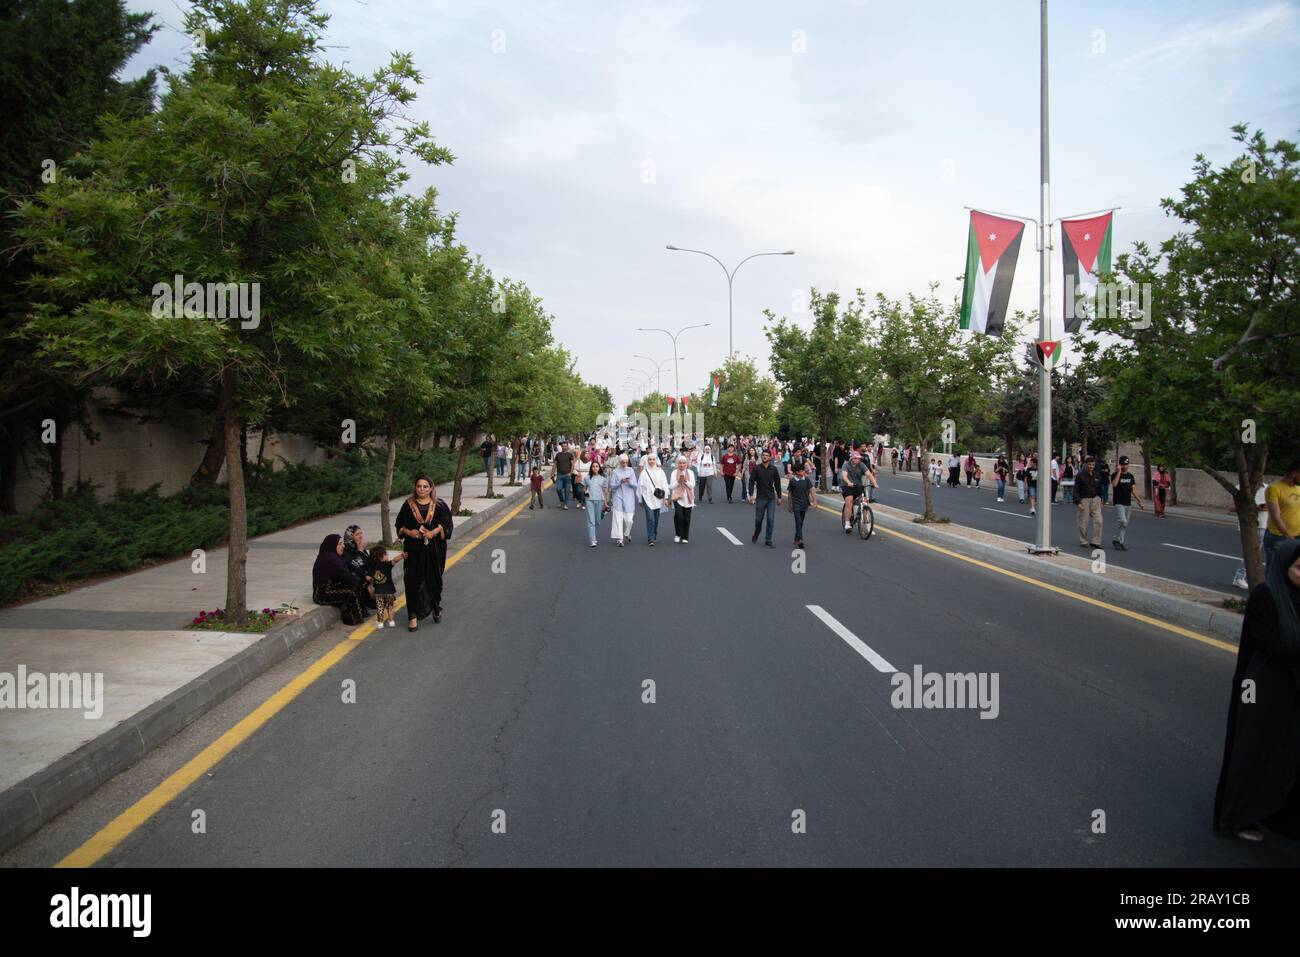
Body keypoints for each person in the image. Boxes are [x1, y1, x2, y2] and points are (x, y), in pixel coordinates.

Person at [1213, 539, 1300, 842]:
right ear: (1283, 567)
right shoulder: (1266, 597)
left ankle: (1283, 816)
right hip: (1264, 689)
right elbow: (1274, 647)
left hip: (1294, 686)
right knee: (1258, 751)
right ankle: (1241, 815)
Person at [395, 474, 453, 631]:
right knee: (412, 580)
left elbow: (447, 524)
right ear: (415, 487)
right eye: (419, 486)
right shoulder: (408, 505)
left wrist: (434, 532)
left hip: (434, 549)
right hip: (414, 549)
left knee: (433, 579)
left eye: (425, 486)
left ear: (431, 488)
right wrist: (409, 532)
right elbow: (399, 524)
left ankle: (435, 607)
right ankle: (412, 615)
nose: (422, 489)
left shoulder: (439, 505)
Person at [312, 534, 366, 626]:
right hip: (322, 594)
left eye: (343, 543)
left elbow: (351, 567)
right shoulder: (331, 560)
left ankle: (359, 613)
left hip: (333, 588)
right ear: (333, 546)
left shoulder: (336, 557)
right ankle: (350, 617)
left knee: (357, 584)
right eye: (340, 544)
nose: (343, 546)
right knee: (354, 589)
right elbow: (347, 577)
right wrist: (362, 579)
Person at [1264, 461, 1300, 575]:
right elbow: (1275, 516)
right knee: (1274, 569)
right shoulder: (1274, 488)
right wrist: (1288, 537)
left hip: (1297, 536)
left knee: (1292, 570)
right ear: (1294, 473)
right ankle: (1269, 592)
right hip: (1278, 537)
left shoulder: (1298, 488)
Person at [1110, 455, 1145, 551]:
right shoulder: (1114, 475)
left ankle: (1119, 542)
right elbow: (1114, 484)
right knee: (1122, 521)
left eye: (1126, 464)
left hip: (1128, 503)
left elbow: (1134, 490)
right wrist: (1119, 472)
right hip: (1118, 502)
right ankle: (1116, 539)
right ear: (1119, 465)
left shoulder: (1130, 476)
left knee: (1125, 524)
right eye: (1122, 464)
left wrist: (1139, 501)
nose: (1125, 466)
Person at [749, 448, 782, 547]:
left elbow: (777, 483)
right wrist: (751, 495)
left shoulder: (774, 469)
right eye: (763, 455)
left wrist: (779, 497)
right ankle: (757, 532)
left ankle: (768, 539)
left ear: (770, 457)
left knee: (770, 519)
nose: (764, 457)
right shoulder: (757, 468)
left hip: (771, 498)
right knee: (759, 519)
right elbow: (751, 482)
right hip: (760, 498)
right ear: (761, 456)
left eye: (767, 455)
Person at [366, 543, 403, 627]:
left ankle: (380, 622)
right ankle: (391, 621)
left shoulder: (372, 567)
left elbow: (367, 577)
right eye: (385, 554)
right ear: (380, 557)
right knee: (390, 607)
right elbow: (395, 560)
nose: (388, 555)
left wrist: (373, 579)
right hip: (389, 591)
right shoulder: (387, 565)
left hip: (379, 592)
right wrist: (402, 555)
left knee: (380, 608)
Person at [341, 525, 377, 610]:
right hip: (354, 577)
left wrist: (370, 575)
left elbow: (369, 563)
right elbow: (353, 566)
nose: (360, 536)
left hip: (365, 577)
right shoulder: (346, 550)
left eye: (361, 533)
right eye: (357, 534)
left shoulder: (359, 547)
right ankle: (367, 600)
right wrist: (360, 553)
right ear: (350, 537)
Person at [638, 452, 670, 545]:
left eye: (653, 459)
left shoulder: (660, 471)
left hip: (658, 498)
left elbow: (664, 485)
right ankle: (650, 538)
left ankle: (654, 534)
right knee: (650, 518)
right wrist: (640, 499)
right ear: (647, 461)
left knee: (656, 518)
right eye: (649, 459)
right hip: (647, 498)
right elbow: (640, 486)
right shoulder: (644, 472)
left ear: (656, 460)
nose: (651, 461)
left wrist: (666, 498)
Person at [1074, 456, 1104, 548]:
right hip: (1084, 500)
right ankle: (1083, 541)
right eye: (1090, 464)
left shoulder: (1097, 475)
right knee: (1083, 522)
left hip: (1095, 500)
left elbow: (1100, 488)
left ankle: (1095, 541)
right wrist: (1078, 502)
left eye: (1093, 465)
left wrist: (1101, 499)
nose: (1091, 466)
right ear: (1086, 465)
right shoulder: (1080, 475)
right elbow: (1076, 489)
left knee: (1099, 521)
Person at [609, 453, 638, 545]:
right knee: (618, 518)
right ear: (619, 462)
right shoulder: (615, 472)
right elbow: (612, 486)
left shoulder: (631, 471)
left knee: (629, 520)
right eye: (622, 462)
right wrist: (620, 482)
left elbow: (635, 484)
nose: (624, 464)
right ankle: (620, 539)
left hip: (629, 497)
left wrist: (629, 481)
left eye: (626, 462)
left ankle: (627, 533)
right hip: (618, 496)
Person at [787, 459, 816, 549]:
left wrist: (814, 500)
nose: (804, 472)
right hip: (796, 503)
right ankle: (800, 539)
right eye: (802, 471)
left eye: (803, 470)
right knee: (798, 521)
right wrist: (789, 505)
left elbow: (811, 490)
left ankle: (797, 536)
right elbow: (790, 494)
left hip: (805, 503)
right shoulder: (792, 481)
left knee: (801, 521)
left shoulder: (806, 479)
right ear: (796, 472)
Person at [581, 460, 608, 548]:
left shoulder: (603, 479)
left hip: (599, 500)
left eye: (597, 466)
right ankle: (592, 540)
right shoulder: (587, 478)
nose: (595, 468)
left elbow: (605, 492)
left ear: (599, 468)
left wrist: (606, 503)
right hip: (589, 500)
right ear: (591, 468)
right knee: (591, 521)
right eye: (593, 466)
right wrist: (585, 492)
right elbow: (584, 488)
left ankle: (593, 536)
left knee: (598, 521)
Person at [840, 450, 869, 533]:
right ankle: (847, 522)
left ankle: (867, 524)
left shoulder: (861, 464)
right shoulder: (846, 465)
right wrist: (848, 482)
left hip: (858, 486)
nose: (857, 460)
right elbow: (844, 476)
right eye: (855, 458)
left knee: (865, 502)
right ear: (852, 458)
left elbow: (869, 474)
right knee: (849, 501)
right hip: (847, 486)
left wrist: (875, 483)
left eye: (858, 458)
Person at [671, 454, 697, 543]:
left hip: (688, 497)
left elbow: (692, 485)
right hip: (678, 497)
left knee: (687, 518)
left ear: (686, 464)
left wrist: (685, 480)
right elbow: (671, 486)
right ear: (677, 464)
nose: (682, 465)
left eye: (683, 463)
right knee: (678, 516)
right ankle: (678, 534)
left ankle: (685, 536)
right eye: (680, 463)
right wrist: (678, 482)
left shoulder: (690, 472)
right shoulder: (674, 473)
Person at [551, 441, 575, 509]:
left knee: (567, 491)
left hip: (567, 475)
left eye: (565, 446)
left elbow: (572, 464)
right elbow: (555, 464)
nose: (564, 447)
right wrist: (552, 473)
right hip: (560, 475)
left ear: (567, 447)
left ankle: (566, 504)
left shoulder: (570, 455)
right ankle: (561, 501)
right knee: (558, 489)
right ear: (561, 447)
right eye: (563, 446)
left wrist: (570, 473)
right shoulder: (558, 455)